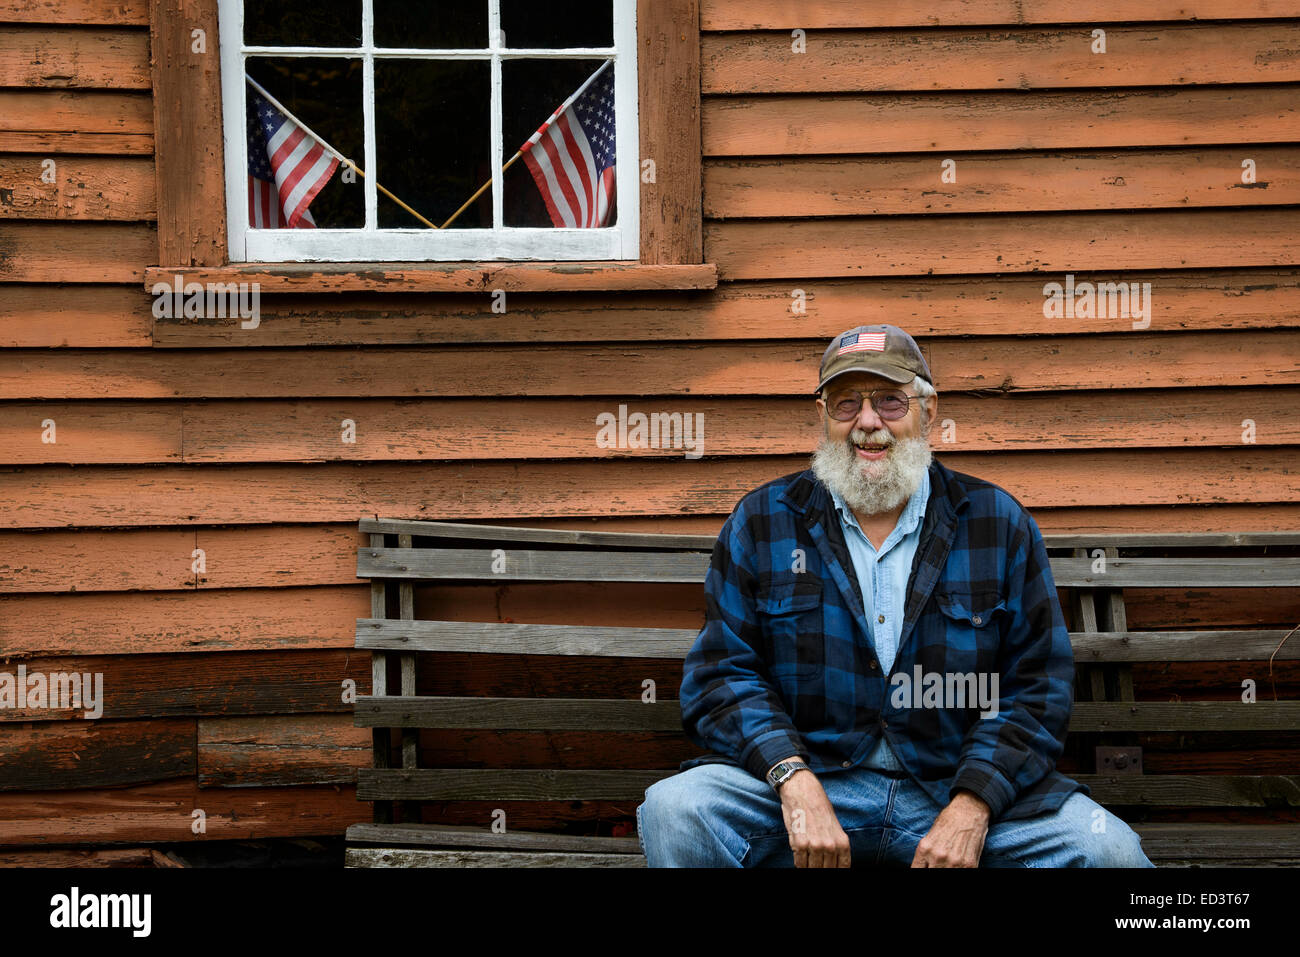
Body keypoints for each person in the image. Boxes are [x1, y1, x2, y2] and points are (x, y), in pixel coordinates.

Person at [636, 324, 1153, 868]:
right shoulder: (764, 521)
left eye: (889, 401)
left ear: (928, 412)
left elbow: (1037, 686)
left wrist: (973, 804)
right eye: (845, 404)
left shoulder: (996, 522)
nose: (867, 422)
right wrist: (792, 778)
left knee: (1106, 851)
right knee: (676, 809)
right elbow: (722, 674)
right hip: (811, 786)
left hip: (949, 789)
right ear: (822, 416)